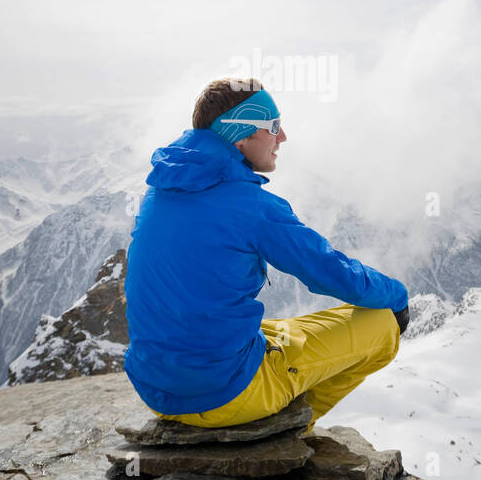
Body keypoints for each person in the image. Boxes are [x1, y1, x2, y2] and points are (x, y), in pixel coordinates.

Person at [123, 77, 410, 435]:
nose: (283, 137)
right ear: (241, 134)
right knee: (383, 325)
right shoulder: (250, 205)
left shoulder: (159, 191)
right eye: (273, 126)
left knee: (275, 331)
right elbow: (328, 271)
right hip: (225, 396)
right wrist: (397, 297)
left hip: (156, 390)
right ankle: (289, 432)